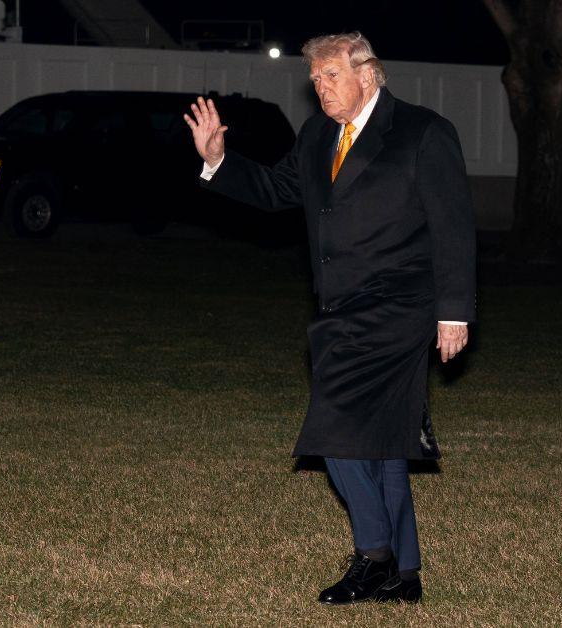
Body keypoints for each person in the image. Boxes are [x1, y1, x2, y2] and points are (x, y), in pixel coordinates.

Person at [184, 31, 477, 605]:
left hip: (400, 308)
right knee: (384, 440)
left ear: (367, 74)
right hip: (337, 308)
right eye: (314, 78)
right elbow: (276, 189)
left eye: (330, 75)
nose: (319, 87)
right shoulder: (319, 134)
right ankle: (405, 575)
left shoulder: (422, 132)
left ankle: (373, 556)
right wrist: (218, 160)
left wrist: (454, 313)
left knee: (334, 428)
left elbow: (454, 227)